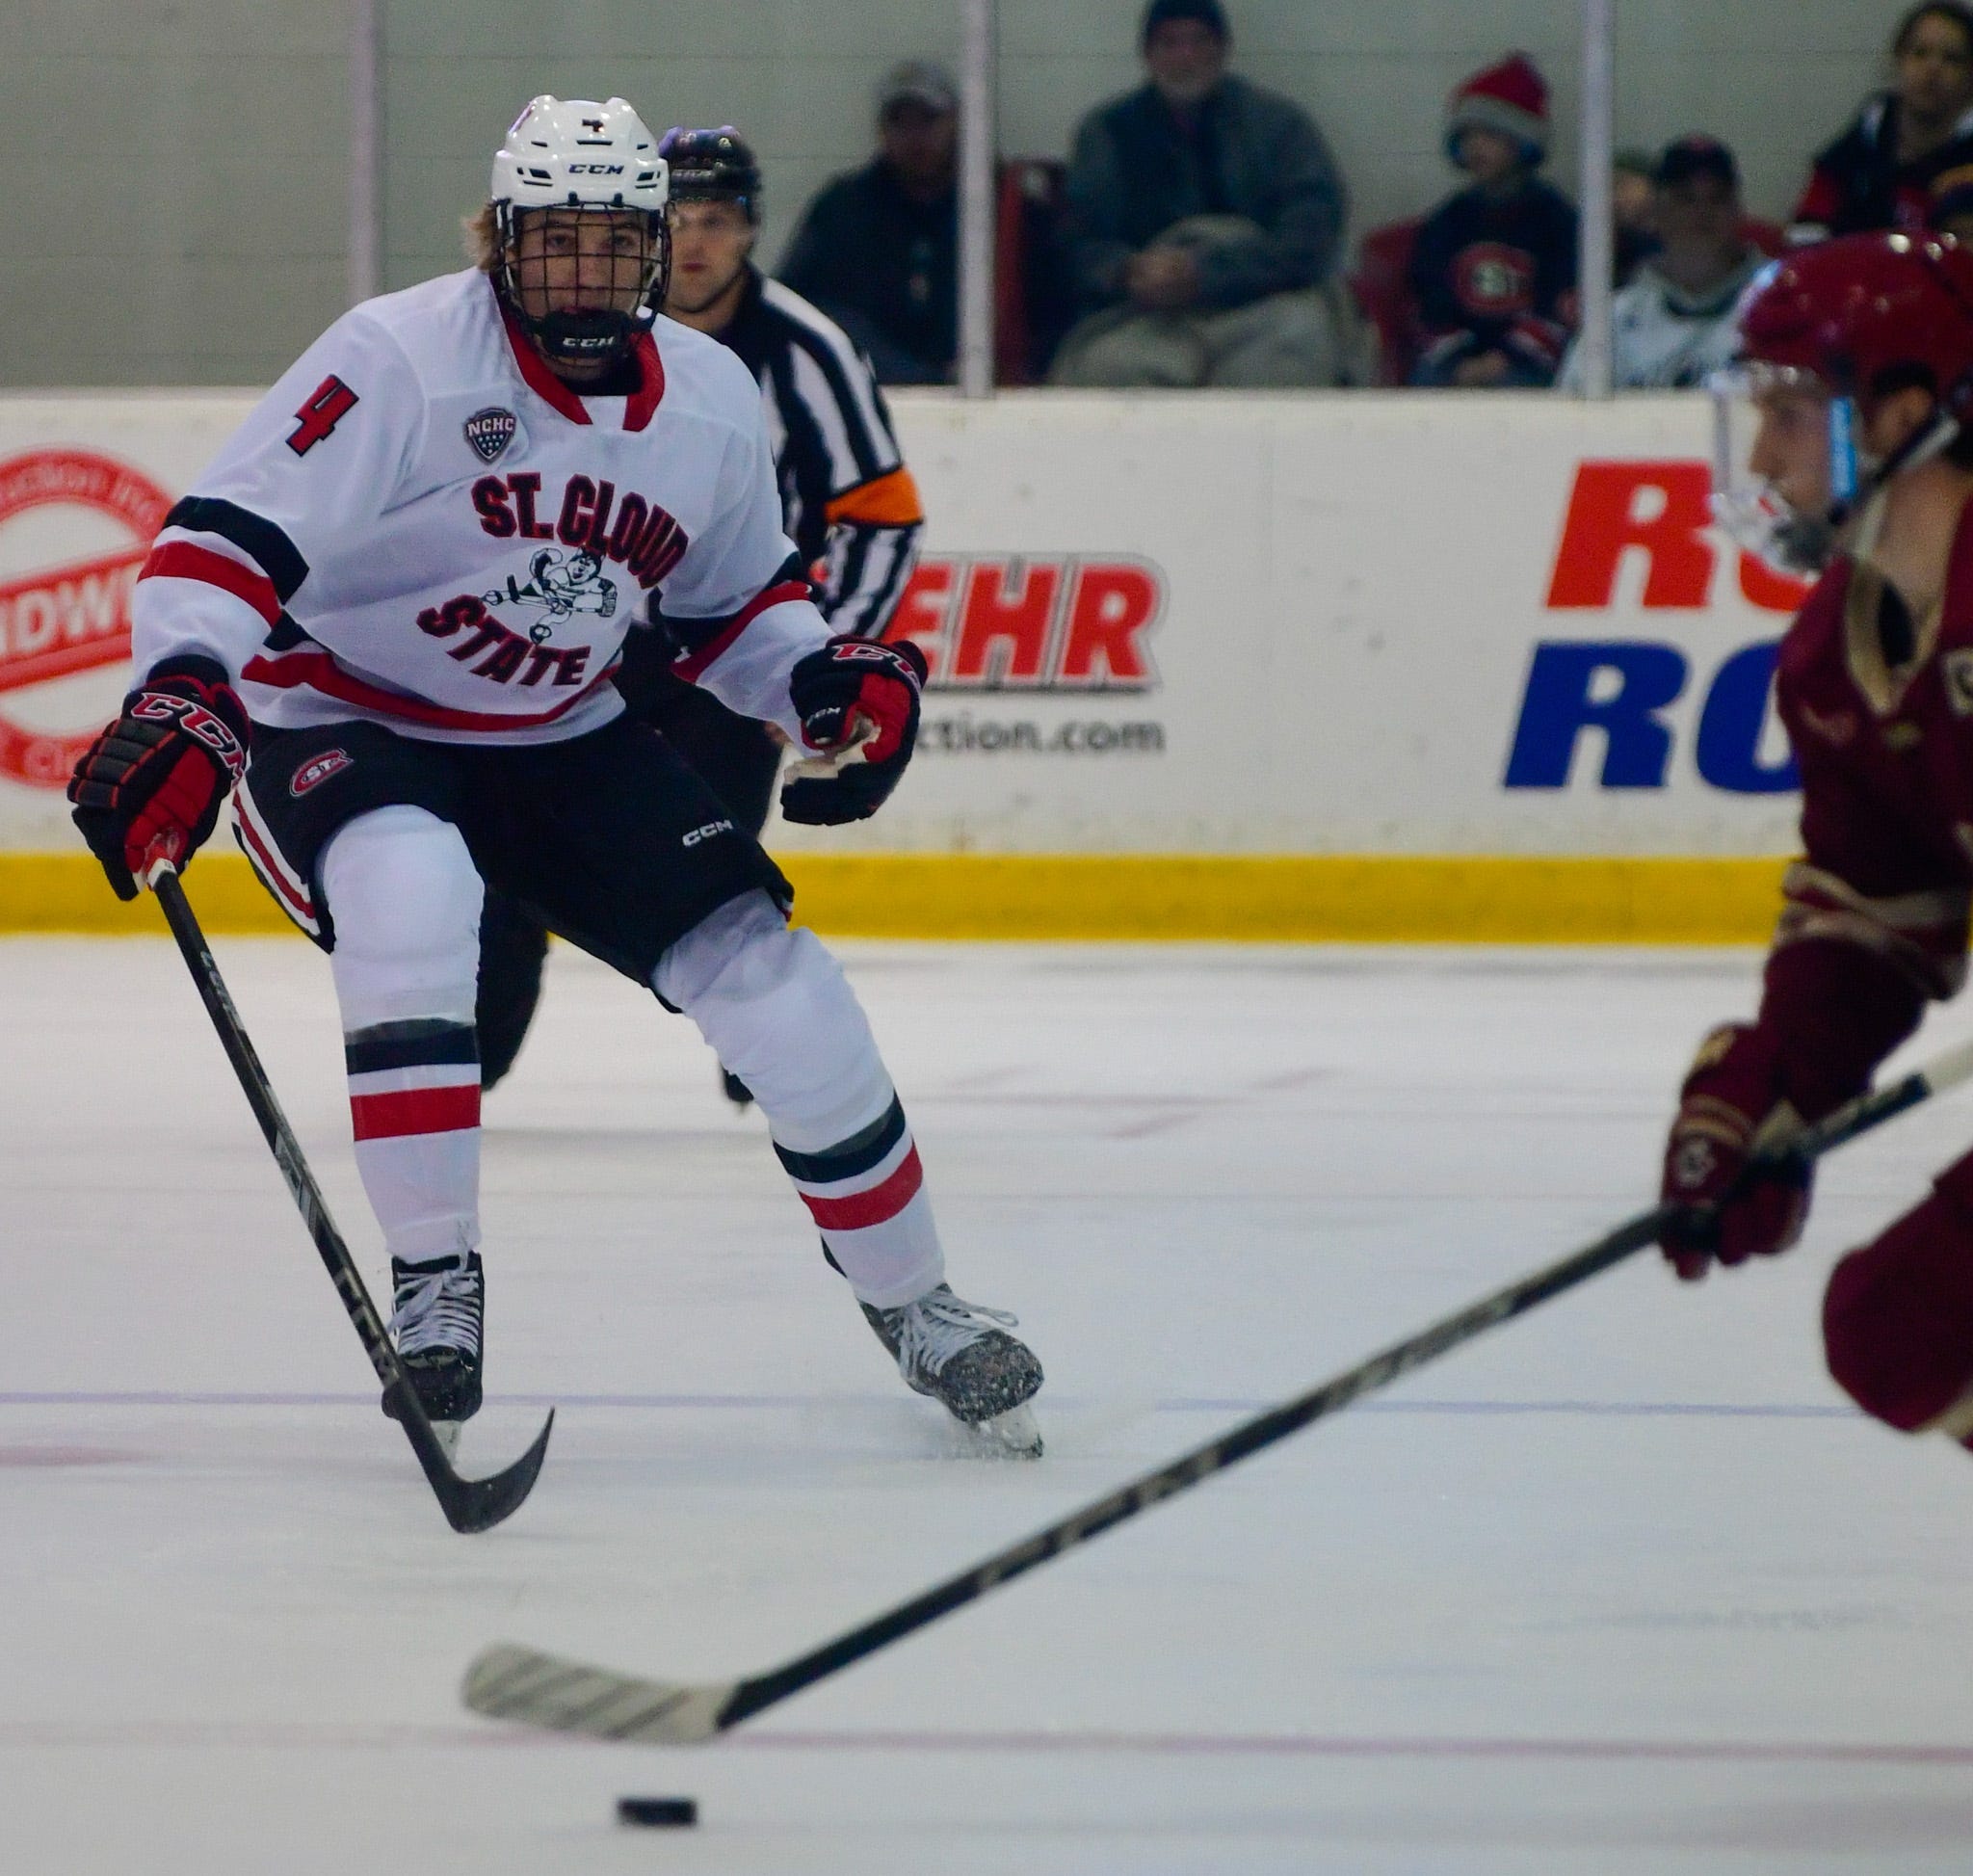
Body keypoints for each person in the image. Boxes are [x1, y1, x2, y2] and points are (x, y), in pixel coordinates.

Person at [64, 95, 1042, 1457]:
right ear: (499, 238)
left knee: (778, 981)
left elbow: (735, 603)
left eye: (610, 244)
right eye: (552, 241)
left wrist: (820, 677)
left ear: (657, 251)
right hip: (340, 712)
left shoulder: (706, 396)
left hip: (558, 732)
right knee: (414, 896)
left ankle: (919, 1301)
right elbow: (217, 548)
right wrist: (182, 695)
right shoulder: (396, 358)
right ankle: (437, 1289)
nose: (580, 274)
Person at [473, 126, 926, 1102]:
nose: (693, 243)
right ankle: (467, 1051)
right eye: (674, 219)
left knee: (713, 873)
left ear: (752, 229)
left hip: (728, 652)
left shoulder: (804, 349)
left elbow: (881, 516)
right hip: (589, 654)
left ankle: (769, 1048)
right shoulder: (571, 335)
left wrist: (816, 660)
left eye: (716, 220)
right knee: (506, 851)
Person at [1658, 230, 1973, 1457]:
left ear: (1903, 410)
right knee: (1902, 1332)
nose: (1762, 455)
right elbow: (1875, 909)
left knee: (1908, 1322)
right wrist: (1775, 1083)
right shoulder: (1829, 657)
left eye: (1791, 413)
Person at [1048, 0, 1351, 389]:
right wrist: (1128, 271)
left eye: (1198, 42)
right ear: (1147, 55)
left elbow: (1312, 232)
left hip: (1266, 304)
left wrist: (1206, 273)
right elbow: (1077, 241)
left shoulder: (1280, 125)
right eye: (1169, 44)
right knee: (1105, 370)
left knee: (1295, 354)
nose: (1185, 57)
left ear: (1223, 49)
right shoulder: (1105, 133)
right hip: (1144, 315)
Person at [778, 63, 960, 385]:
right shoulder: (843, 209)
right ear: (882, 130)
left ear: (955, 123)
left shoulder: (993, 208)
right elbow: (791, 306)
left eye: (927, 121)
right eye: (900, 123)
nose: (914, 137)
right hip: (863, 390)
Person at [1407, 53, 1577, 388]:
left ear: (1523, 142)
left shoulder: (1556, 220)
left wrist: (1505, 359)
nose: (1476, 146)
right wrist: (1457, 358)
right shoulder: (1448, 221)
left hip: (1528, 363)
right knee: (1425, 386)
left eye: (1490, 134)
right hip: (1457, 362)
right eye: (1467, 135)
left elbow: (1560, 303)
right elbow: (1431, 297)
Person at [1557, 136, 1766, 392]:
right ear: (1655, 212)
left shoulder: (1775, 306)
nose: (1703, 212)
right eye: (1685, 199)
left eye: (1717, 198)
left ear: (1737, 210)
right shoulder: (1616, 319)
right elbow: (1572, 411)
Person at [1791, 2, 1973, 244]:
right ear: (1898, 61)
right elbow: (1804, 237)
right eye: (1920, 53)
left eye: (1952, 59)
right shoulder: (1854, 153)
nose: (1933, 69)